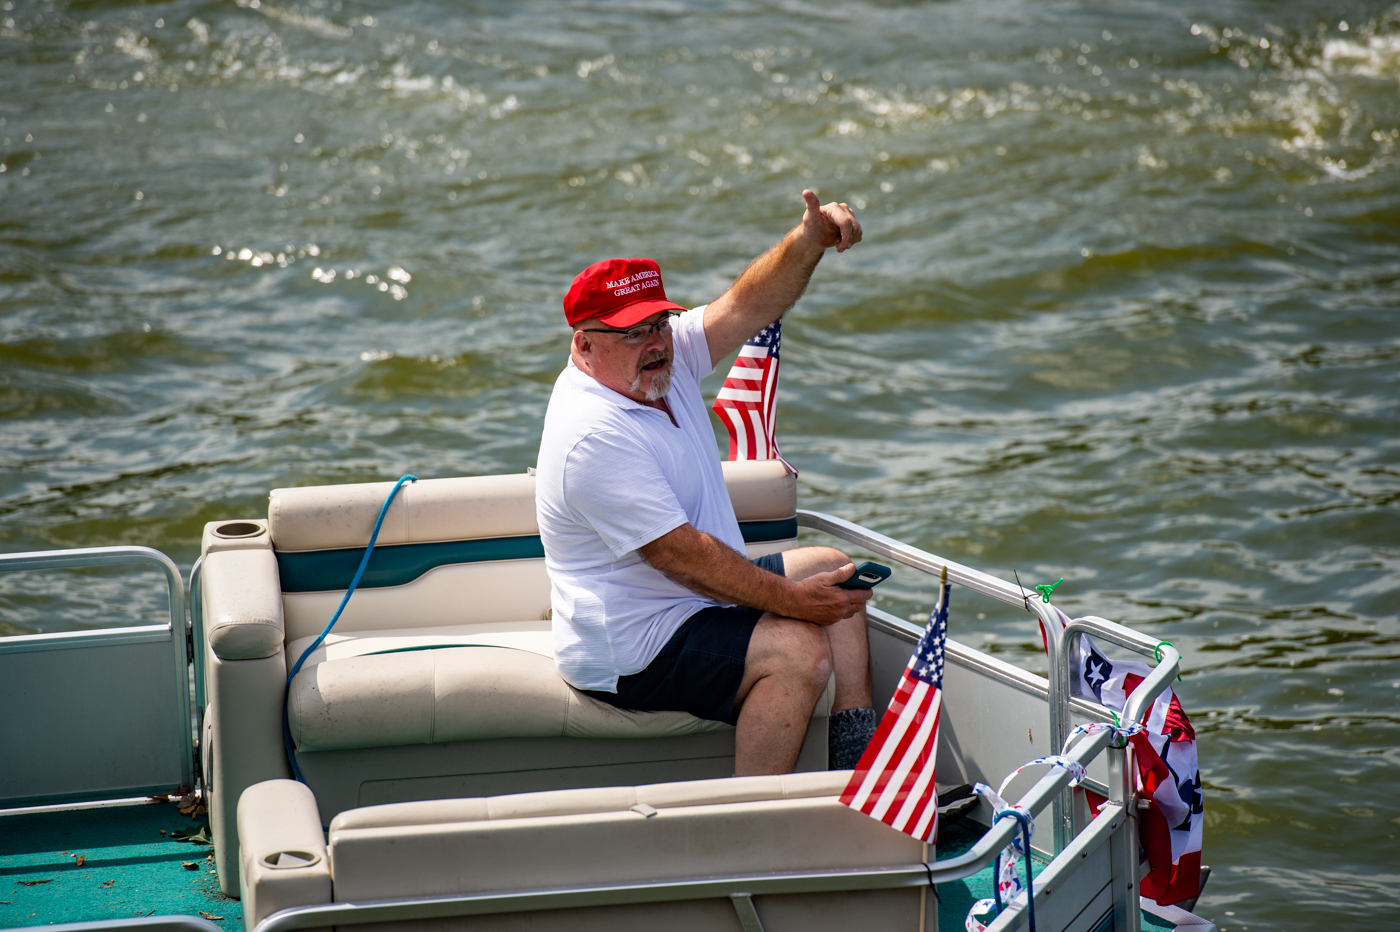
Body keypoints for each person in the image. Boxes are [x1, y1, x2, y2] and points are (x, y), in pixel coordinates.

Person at [535, 190, 876, 776]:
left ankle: (863, 771)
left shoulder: (664, 361)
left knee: (830, 568)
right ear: (584, 345)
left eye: (659, 323)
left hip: (688, 601)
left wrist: (808, 241)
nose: (656, 343)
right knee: (798, 650)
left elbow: (748, 304)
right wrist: (796, 604)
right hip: (632, 649)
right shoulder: (592, 434)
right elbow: (682, 557)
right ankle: (753, 831)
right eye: (632, 333)